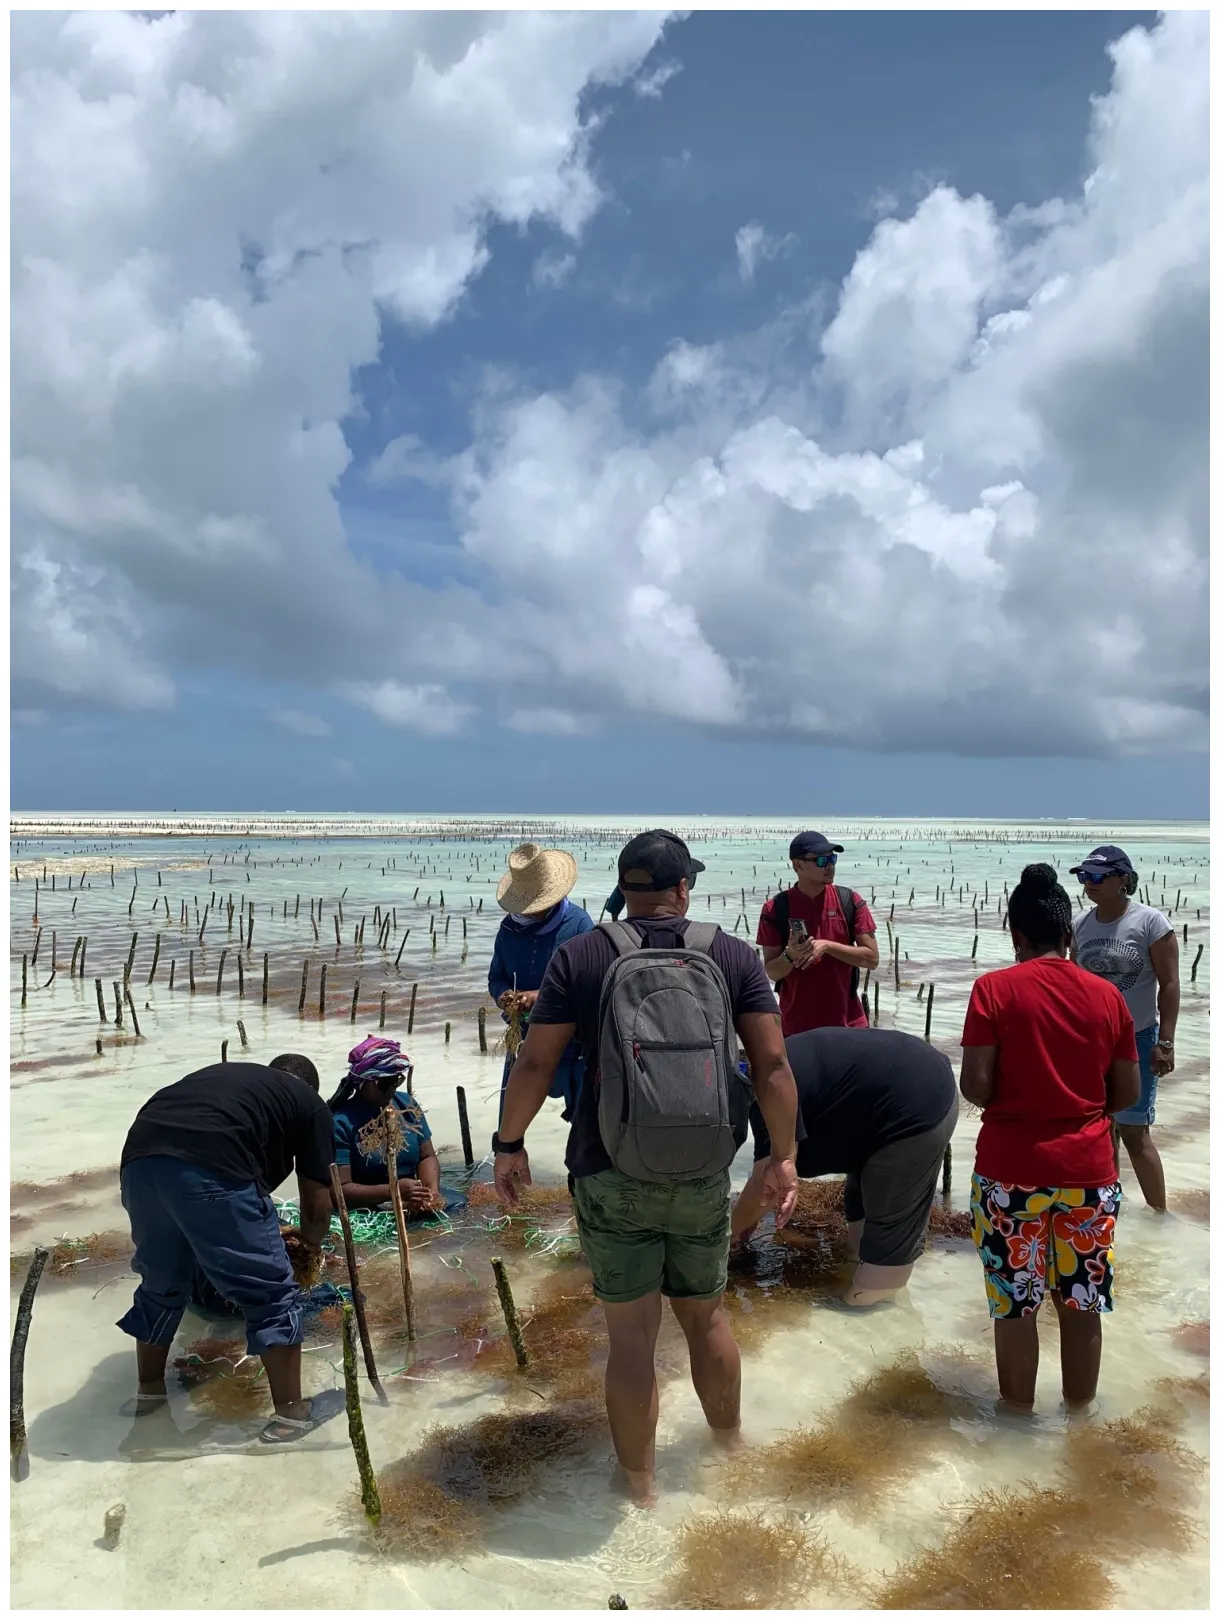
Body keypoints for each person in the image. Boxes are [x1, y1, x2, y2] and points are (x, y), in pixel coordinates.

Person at [494, 828, 799, 1504]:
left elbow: (537, 1062)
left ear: (624, 888)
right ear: (683, 887)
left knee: (632, 1340)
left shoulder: (581, 955)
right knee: (707, 1317)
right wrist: (783, 1158)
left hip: (609, 1167)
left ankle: (639, 1488)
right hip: (702, 1168)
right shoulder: (733, 954)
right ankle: (728, 1450)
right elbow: (773, 1066)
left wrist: (508, 1144)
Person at [959, 864, 1140, 1414]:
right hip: (1088, 1174)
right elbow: (1127, 1092)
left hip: (1010, 1172)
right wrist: (1079, 1115)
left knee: (1015, 1305)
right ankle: (1079, 1420)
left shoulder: (993, 989)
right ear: (1069, 937)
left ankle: (1016, 1425)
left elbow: (976, 1087)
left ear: (1015, 935)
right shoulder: (1107, 996)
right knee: (1081, 1304)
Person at [117, 1054, 342, 1445]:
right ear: (312, 1088)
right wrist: (308, 1249)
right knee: (272, 1294)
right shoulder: (311, 1106)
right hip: (210, 1162)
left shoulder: (240, 1087)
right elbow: (316, 1208)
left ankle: (149, 1393)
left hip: (139, 1159)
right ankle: (292, 1415)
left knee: (163, 1282)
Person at [731, 1027, 959, 1306]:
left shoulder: (767, 1091)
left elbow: (768, 1184)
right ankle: (863, 1274)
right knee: (858, 1227)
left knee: (875, 1283)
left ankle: (876, 1309)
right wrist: (748, 1214)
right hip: (894, 1091)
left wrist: (725, 1236)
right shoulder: (768, 1065)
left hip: (919, 1104)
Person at [1069, 845, 1178, 1212]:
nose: (1090, 884)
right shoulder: (1079, 925)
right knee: (1101, 1131)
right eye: (1085, 876)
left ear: (1124, 880)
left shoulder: (1151, 923)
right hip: (1089, 1043)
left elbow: (1171, 984)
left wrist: (1166, 1042)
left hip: (1137, 1038)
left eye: (1099, 877)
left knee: (1134, 1132)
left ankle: (1161, 1218)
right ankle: (1109, 1211)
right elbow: (1072, 983)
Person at [488, 843, 594, 1121]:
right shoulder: (509, 929)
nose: (533, 912)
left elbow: (591, 985)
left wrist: (540, 996)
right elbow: (495, 977)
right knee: (509, 1121)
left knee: (583, 1124)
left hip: (570, 1044)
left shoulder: (580, 925)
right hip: (521, 1038)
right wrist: (503, 996)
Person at [756, 831, 879, 1036]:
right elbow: (772, 972)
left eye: (832, 859)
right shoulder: (775, 909)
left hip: (849, 1025)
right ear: (798, 865)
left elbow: (872, 959)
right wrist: (790, 955)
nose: (830, 866)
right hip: (796, 1029)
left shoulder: (849, 901)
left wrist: (828, 947)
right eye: (821, 860)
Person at [328, 1035, 464, 1215]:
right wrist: (392, 1190)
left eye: (396, 1081)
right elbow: (340, 1190)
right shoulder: (341, 1123)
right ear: (364, 1082)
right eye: (384, 1084)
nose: (392, 1089)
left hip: (409, 1198)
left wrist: (431, 1192)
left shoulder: (407, 1106)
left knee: (460, 1206)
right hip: (369, 1207)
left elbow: (427, 1156)